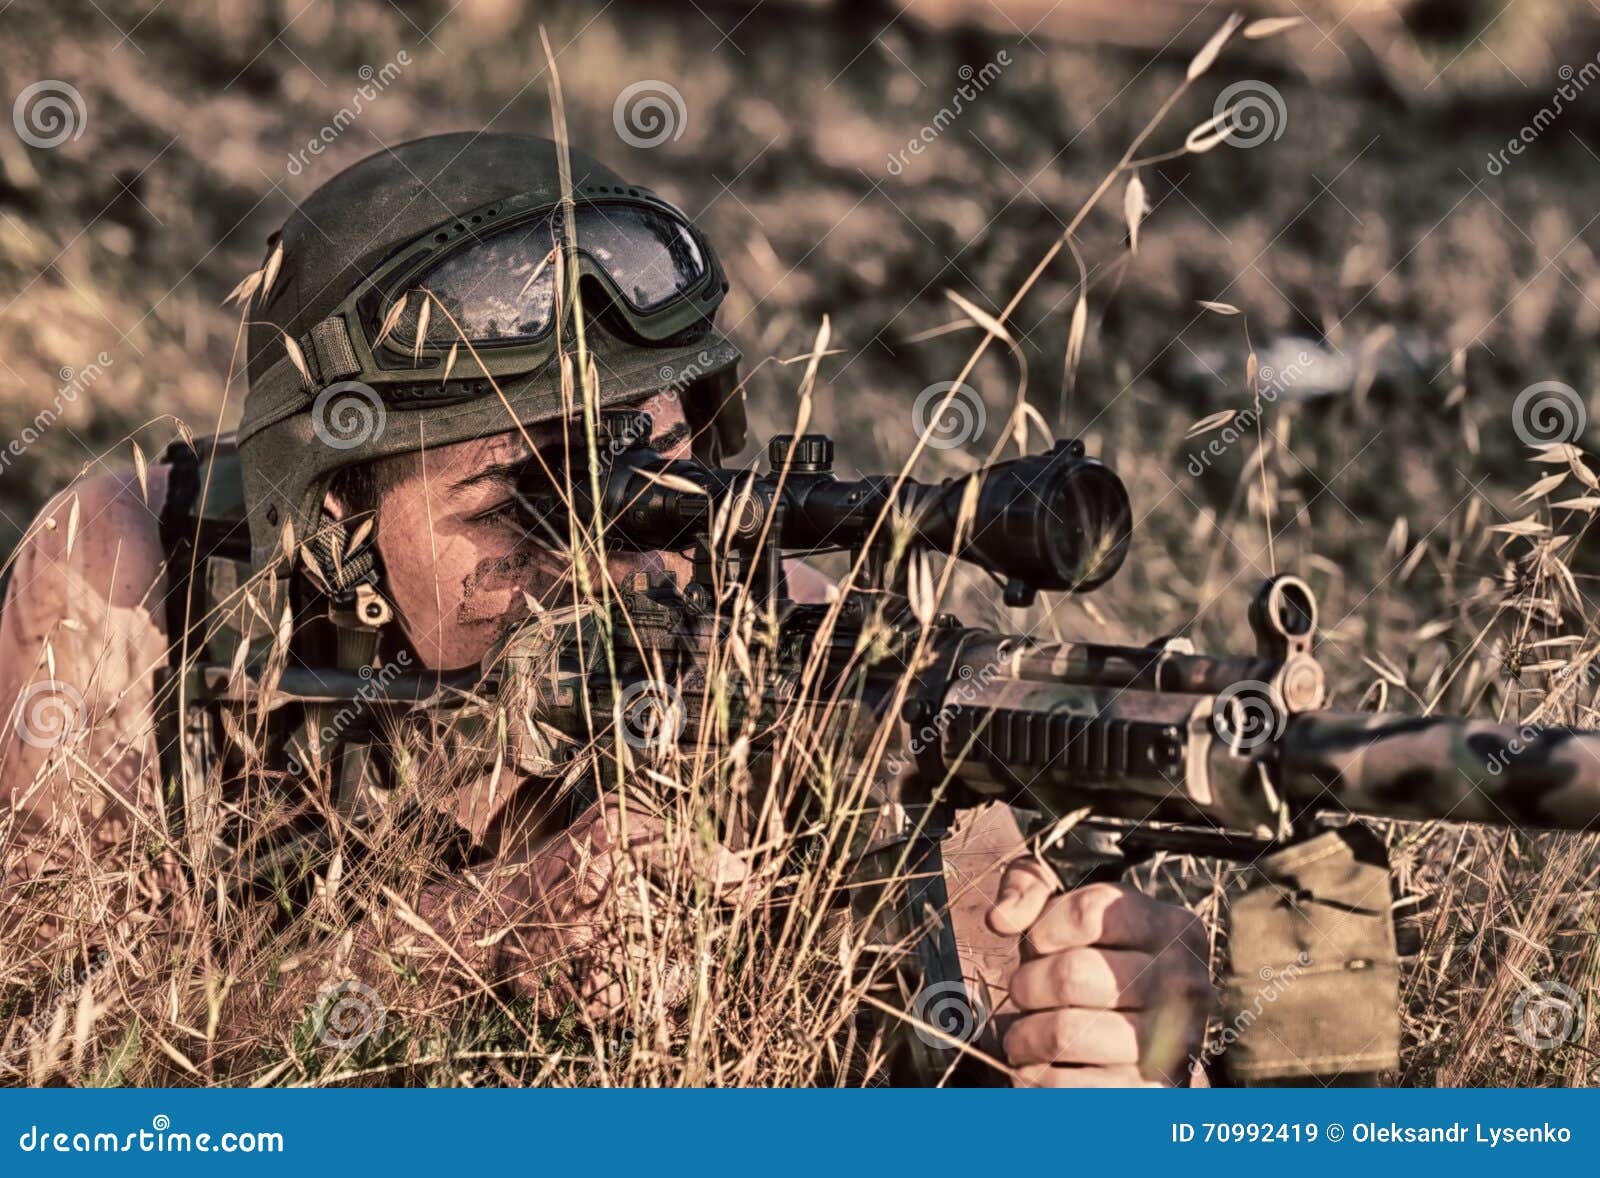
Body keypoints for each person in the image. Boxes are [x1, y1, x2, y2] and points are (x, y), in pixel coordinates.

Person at [0, 133, 1211, 1086]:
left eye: (655, 494)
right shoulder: (129, 574)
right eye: (523, 503)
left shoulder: (783, 632)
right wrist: (474, 941)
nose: (601, 564)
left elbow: (1012, 999)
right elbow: (58, 1037)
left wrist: (1109, 1047)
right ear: (340, 514)